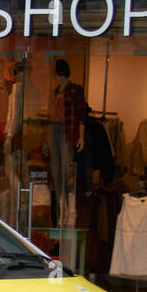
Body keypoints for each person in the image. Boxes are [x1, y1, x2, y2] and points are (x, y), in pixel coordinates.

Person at [48, 59, 87, 219]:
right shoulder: (55, 92)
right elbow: (51, 116)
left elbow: (81, 114)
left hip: (67, 129)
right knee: (56, 169)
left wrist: (81, 136)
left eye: (59, 73)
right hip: (55, 130)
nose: (58, 77)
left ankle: (70, 204)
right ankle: (61, 203)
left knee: (66, 167)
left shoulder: (75, 90)